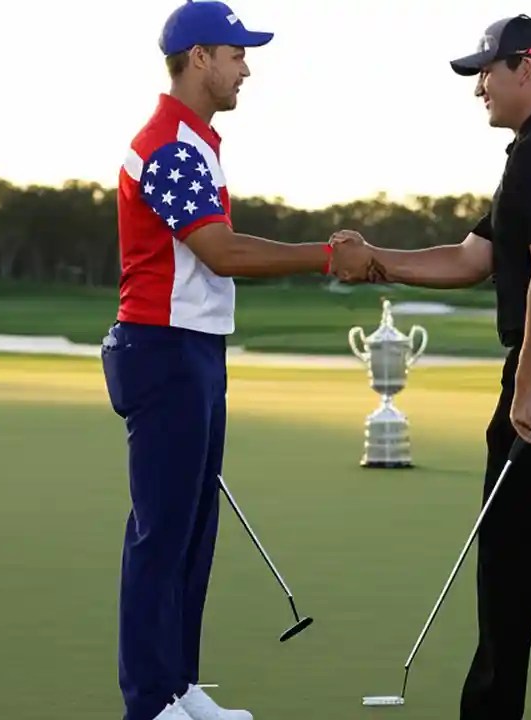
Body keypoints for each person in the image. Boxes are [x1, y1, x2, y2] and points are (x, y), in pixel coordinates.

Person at [330, 14, 531, 720]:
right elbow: (472, 259)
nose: (479, 87)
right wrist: (375, 260)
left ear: (525, 69)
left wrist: (529, 384)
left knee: (512, 564)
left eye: (487, 71)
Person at [102, 3, 340, 719]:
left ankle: (179, 686)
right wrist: (326, 255)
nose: (246, 66)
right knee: (162, 535)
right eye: (237, 52)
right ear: (199, 57)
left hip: (194, 347)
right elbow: (221, 250)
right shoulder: (169, 145)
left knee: (193, 535)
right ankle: (149, 702)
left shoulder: (198, 141)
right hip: (164, 347)